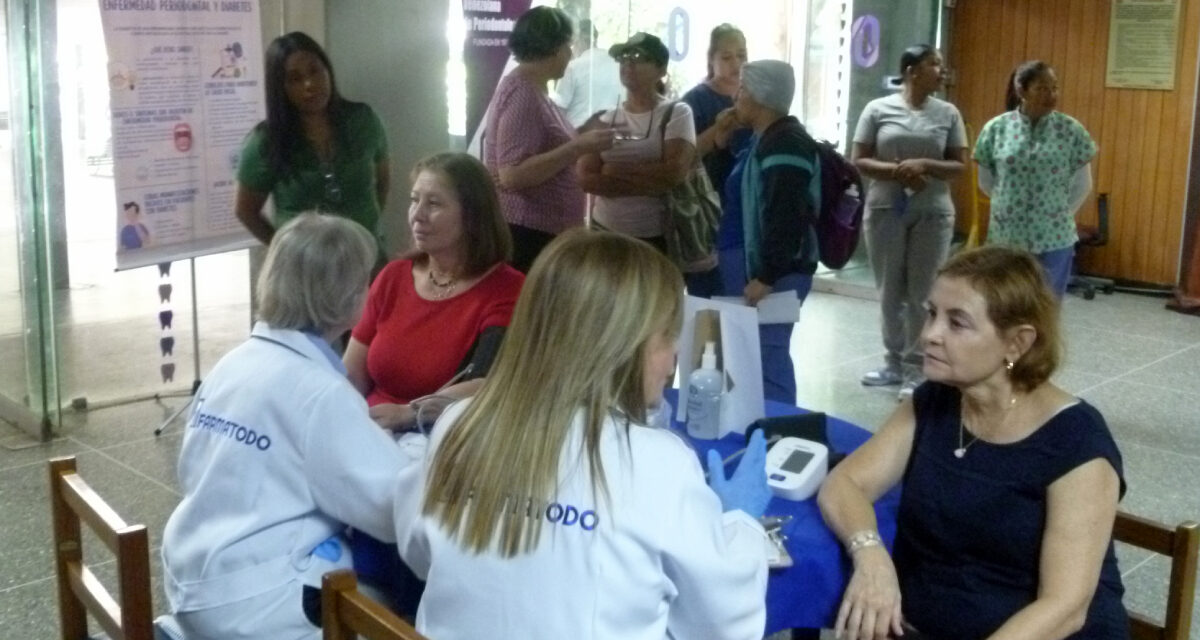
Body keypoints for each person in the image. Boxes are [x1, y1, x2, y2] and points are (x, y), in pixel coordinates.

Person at [393, 229, 773, 640]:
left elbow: (418, 551)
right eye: (667, 336)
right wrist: (742, 524)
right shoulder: (660, 463)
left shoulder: (458, 424)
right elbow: (725, 625)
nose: (676, 355)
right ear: (621, 346)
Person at [818, 246, 1129, 640]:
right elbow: (844, 483)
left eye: (957, 323)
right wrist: (870, 555)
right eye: (932, 313)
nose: (930, 334)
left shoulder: (1075, 441)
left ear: (1017, 343)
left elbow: (1064, 609)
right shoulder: (935, 400)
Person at [161, 214, 416, 640]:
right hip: (262, 607)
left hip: (193, 577)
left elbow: (192, 468)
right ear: (349, 297)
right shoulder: (320, 392)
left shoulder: (234, 363)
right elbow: (392, 511)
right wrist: (413, 453)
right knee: (397, 604)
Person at [342, 151, 523, 609]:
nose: (417, 216)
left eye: (434, 204)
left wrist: (408, 413)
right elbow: (351, 371)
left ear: (473, 214)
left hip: (439, 451)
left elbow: (488, 381)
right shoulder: (395, 276)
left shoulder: (506, 289)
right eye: (413, 200)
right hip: (372, 437)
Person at [853, 44, 968, 400]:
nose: (941, 69)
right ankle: (892, 361)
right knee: (889, 290)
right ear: (911, 71)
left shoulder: (948, 112)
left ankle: (919, 366)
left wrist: (925, 166)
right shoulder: (877, 109)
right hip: (887, 208)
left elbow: (960, 164)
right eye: (934, 63)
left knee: (924, 293)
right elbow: (859, 158)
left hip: (932, 212)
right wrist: (899, 172)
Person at [234, 32, 390, 260]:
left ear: (328, 70)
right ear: (281, 87)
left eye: (315, 71)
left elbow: (383, 183)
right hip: (305, 270)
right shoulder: (267, 141)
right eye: (295, 79)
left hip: (367, 259)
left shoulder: (363, 120)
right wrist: (285, 251)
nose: (310, 84)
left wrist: (364, 226)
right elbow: (245, 211)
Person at [484, 6, 615, 272]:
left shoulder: (535, 89)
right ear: (550, 47)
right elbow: (512, 174)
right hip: (528, 233)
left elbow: (544, 146)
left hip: (542, 231)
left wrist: (583, 133)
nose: (570, 55)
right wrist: (577, 147)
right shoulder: (523, 94)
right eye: (567, 46)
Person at [725, 59, 819, 405]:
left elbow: (786, 215)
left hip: (778, 274)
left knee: (769, 354)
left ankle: (785, 430)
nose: (737, 96)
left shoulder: (787, 143)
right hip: (759, 268)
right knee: (758, 354)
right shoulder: (763, 138)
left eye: (744, 89)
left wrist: (766, 275)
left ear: (762, 97)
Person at [975, 60, 1097, 299]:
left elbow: (1084, 185)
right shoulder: (996, 129)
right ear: (1021, 90)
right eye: (1042, 88)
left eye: (1055, 88)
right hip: (1007, 235)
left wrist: (1056, 213)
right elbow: (987, 182)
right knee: (1008, 304)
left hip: (1055, 236)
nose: (1051, 95)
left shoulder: (1071, 130)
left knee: (1047, 307)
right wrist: (1012, 205)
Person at [578, 32, 696, 257]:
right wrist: (650, 182)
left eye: (639, 56)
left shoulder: (676, 113)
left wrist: (612, 171)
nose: (628, 63)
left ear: (661, 70)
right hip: (604, 229)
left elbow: (673, 174)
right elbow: (585, 178)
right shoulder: (604, 118)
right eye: (623, 57)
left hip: (654, 234)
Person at [680, 23, 753, 297]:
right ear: (711, 59)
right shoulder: (695, 101)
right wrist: (719, 130)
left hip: (746, 204)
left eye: (742, 55)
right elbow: (684, 155)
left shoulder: (755, 97)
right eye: (727, 57)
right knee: (710, 290)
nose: (736, 63)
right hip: (707, 206)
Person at [554, 18, 622, 128]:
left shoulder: (572, 67)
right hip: (615, 134)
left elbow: (558, 113)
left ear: (576, 41)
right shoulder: (618, 64)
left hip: (580, 136)